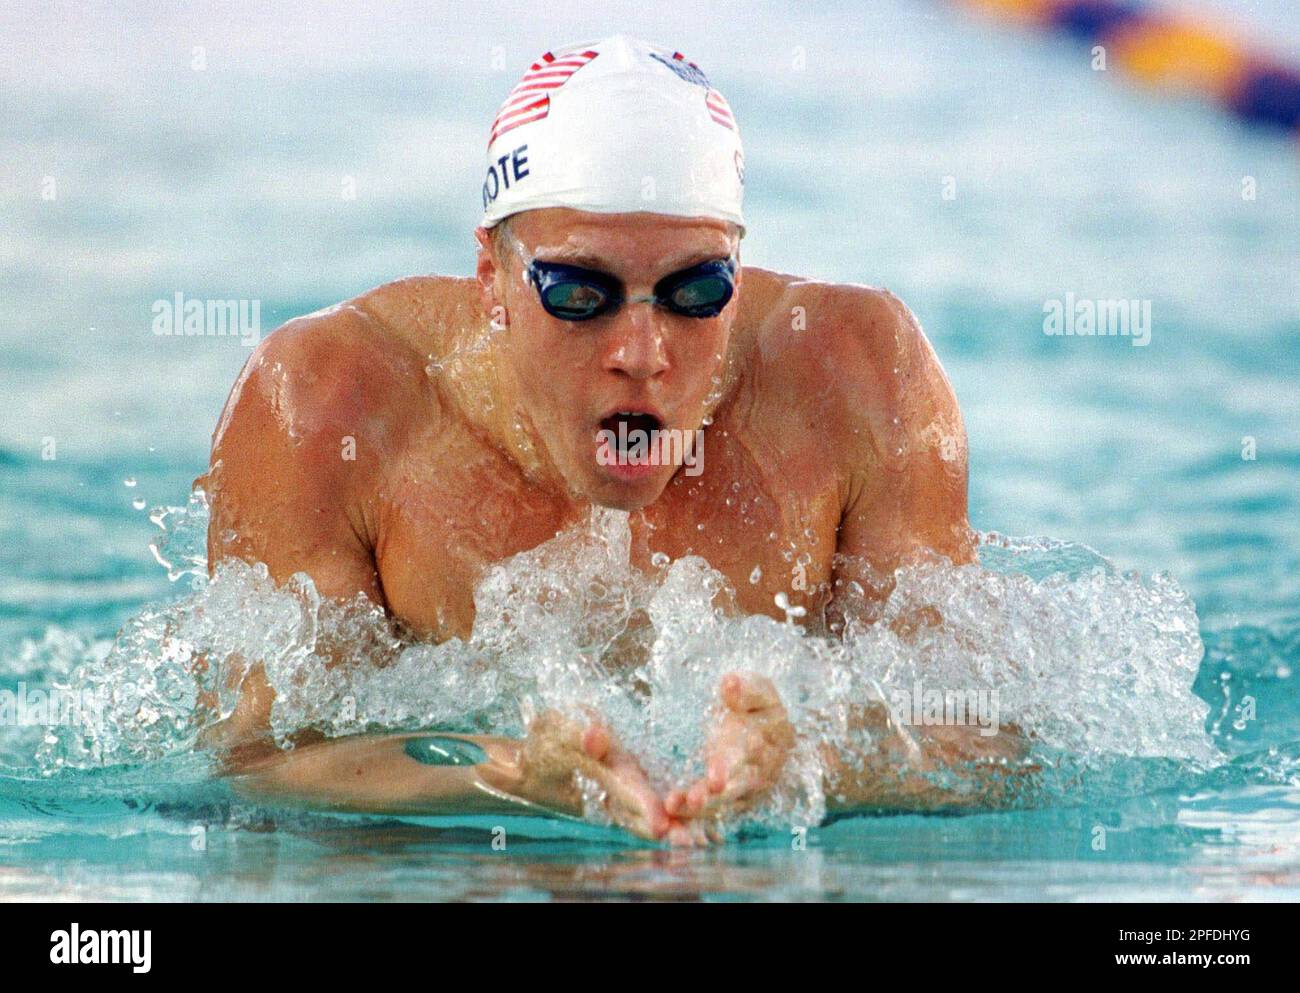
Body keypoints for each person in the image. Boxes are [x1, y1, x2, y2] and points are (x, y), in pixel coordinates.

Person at [200, 35, 1018, 846]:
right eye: (581, 294)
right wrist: (504, 775)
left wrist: (815, 765)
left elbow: (985, 737)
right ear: (494, 280)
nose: (641, 353)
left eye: (695, 290)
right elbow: (257, 765)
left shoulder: (862, 375)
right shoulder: (324, 403)